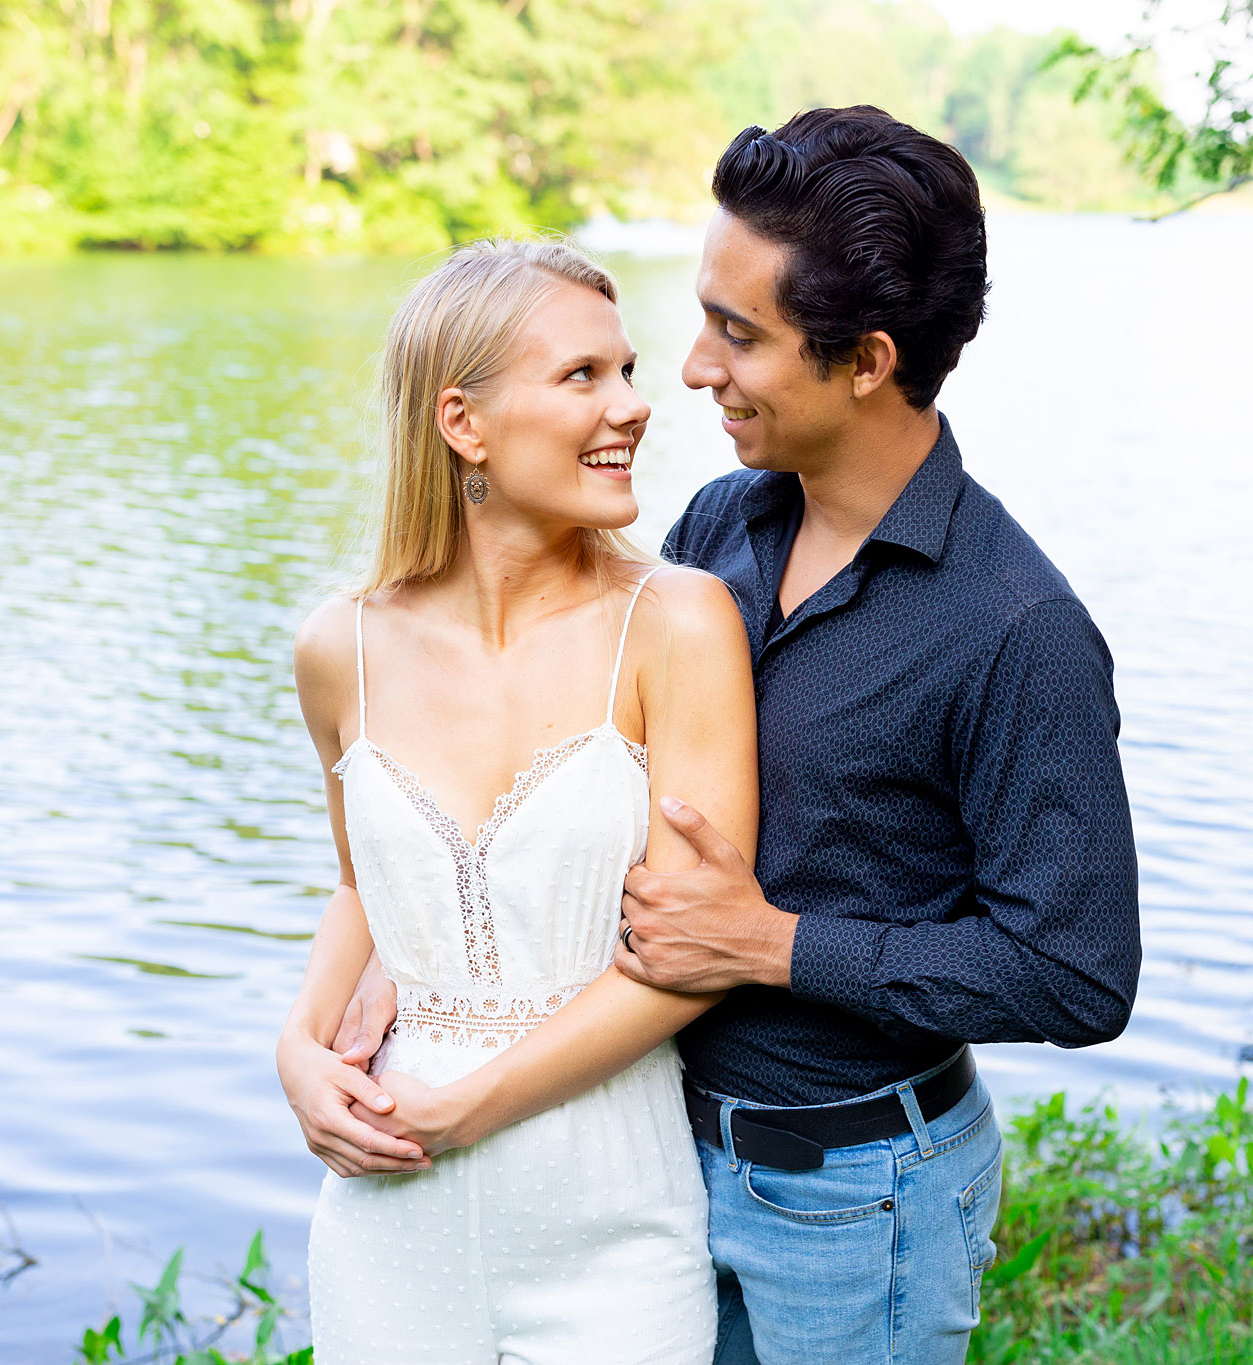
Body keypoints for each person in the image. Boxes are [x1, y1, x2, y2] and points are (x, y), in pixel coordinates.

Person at [334, 108, 1141, 1365]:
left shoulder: (1013, 629)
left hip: (854, 1189)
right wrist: (425, 927)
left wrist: (782, 950)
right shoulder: (721, 525)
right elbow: (587, 769)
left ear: (865, 360)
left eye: (736, 333)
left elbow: (1075, 974)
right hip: (644, 1154)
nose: (692, 369)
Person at [276, 237, 758, 1364]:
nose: (632, 408)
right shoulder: (337, 646)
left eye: (627, 372)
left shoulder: (678, 622)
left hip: (611, 1219)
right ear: (463, 424)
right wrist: (297, 1045)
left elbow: (689, 955)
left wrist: (470, 1108)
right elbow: (364, 887)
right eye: (581, 377)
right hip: (390, 1208)